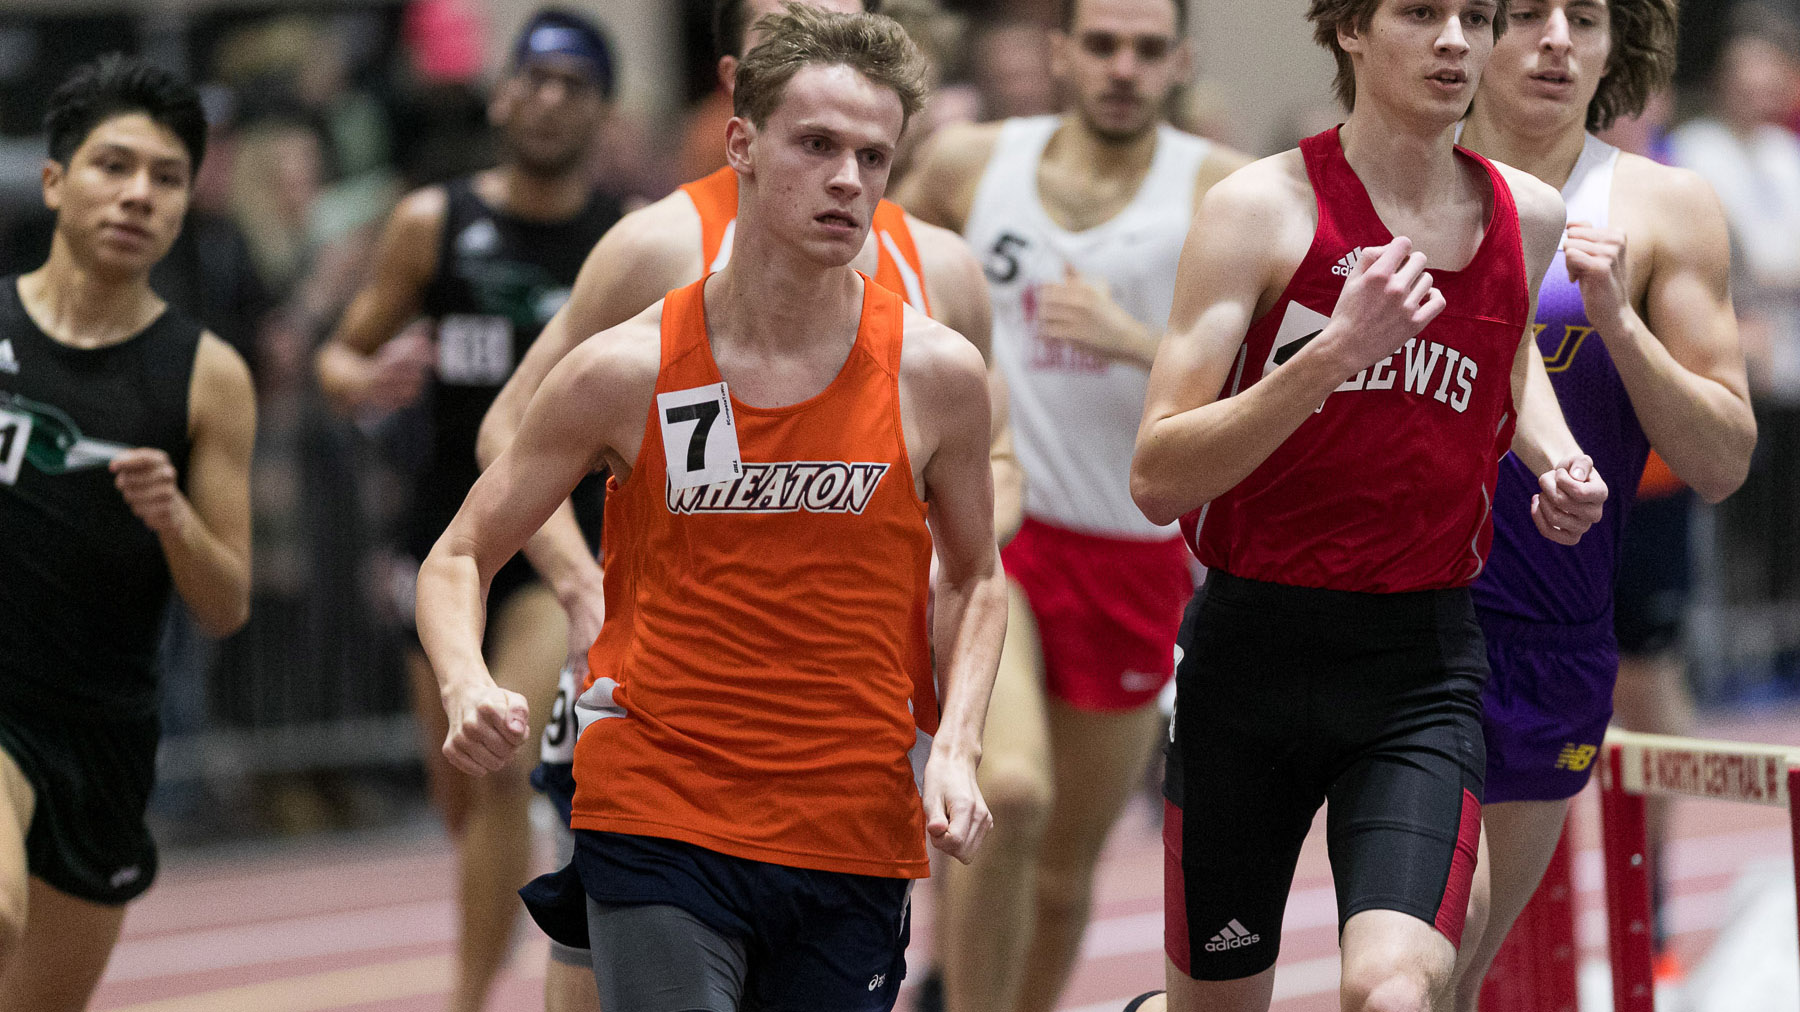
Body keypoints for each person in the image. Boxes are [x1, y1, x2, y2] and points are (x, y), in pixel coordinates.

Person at [417, 7, 1007, 1010]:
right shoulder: (627, 367)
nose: (847, 180)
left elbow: (978, 577)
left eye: (874, 156)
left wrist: (956, 741)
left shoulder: (935, 374)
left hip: (852, 825)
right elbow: (460, 554)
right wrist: (468, 679)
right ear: (741, 140)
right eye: (817, 145)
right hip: (661, 809)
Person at [1124, 0, 1612, 1008]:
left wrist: (1558, 457)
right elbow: (1159, 476)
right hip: (1249, 658)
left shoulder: (1532, 215)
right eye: (1420, 12)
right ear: (1350, 29)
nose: (1453, 40)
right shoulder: (1259, 210)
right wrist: (1336, 354)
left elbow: (1502, 351)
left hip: (1418, 664)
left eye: (1476, 16)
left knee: (1396, 987)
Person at [891, 1, 1249, 1009]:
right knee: (1008, 792)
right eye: (1101, 45)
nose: (1122, 68)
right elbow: (874, 265)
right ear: (1060, 54)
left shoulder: (1218, 190)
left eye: (1146, 49)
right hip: (998, 535)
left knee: (1059, 876)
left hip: (1134, 550)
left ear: (1179, 59)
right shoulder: (971, 164)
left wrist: (1132, 337)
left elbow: (1275, 370)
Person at [312, 12, 624, 1012]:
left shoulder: (626, 240)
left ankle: (467, 998)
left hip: (562, 542)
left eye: (575, 83)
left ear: (602, 109)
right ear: (500, 95)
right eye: (532, 78)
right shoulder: (432, 223)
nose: (548, 98)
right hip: (448, 545)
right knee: (462, 796)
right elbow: (336, 357)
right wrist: (368, 377)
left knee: (497, 763)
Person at [1449, 2, 1754, 1006]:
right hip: (1399, 620)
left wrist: (1618, 319)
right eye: (1525, 14)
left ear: (1616, 46)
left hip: (1554, 633)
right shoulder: (1399, 183)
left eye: (1584, 17)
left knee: (1460, 966)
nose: (1555, 41)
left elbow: (1719, 459)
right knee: (1419, 952)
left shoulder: (1665, 208)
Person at [0, 54, 254, 1010]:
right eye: (113, 166)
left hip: (103, 732)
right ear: (57, 180)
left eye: (167, 177)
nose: (138, 194)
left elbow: (225, 604)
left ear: (188, 203)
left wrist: (174, 517)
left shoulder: (207, 375)